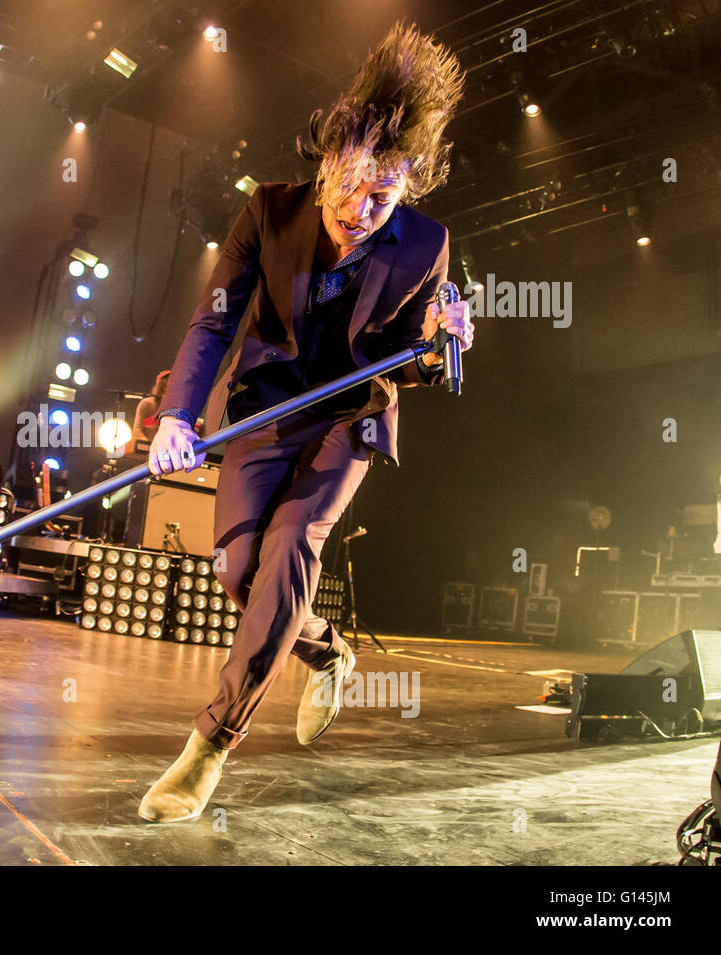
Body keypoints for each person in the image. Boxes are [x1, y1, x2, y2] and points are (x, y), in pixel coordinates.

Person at [138, 22, 475, 823]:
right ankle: (327, 649)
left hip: (347, 420)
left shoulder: (425, 243)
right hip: (263, 407)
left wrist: (436, 349)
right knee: (239, 574)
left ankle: (209, 747)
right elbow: (214, 321)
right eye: (354, 185)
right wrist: (177, 416)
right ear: (328, 164)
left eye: (384, 196)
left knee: (292, 547)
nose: (363, 209)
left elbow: (401, 359)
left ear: (405, 191)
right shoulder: (267, 211)